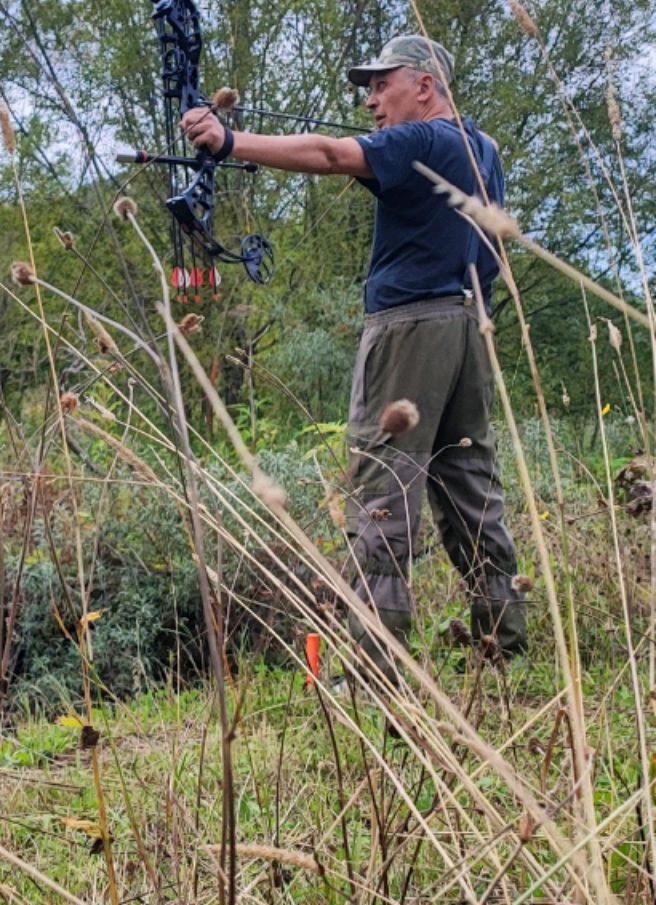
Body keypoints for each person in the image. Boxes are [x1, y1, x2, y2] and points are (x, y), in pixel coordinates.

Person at [181, 35, 527, 681]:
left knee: (383, 491)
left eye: (381, 84)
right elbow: (493, 253)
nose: (370, 100)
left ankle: (374, 670)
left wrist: (228, 142)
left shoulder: (422, 139)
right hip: (468, 327)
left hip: (409, 328)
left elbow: (330, 153)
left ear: (424, 86)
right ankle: (503, 644)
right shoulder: (482, 149)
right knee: (472, 487)